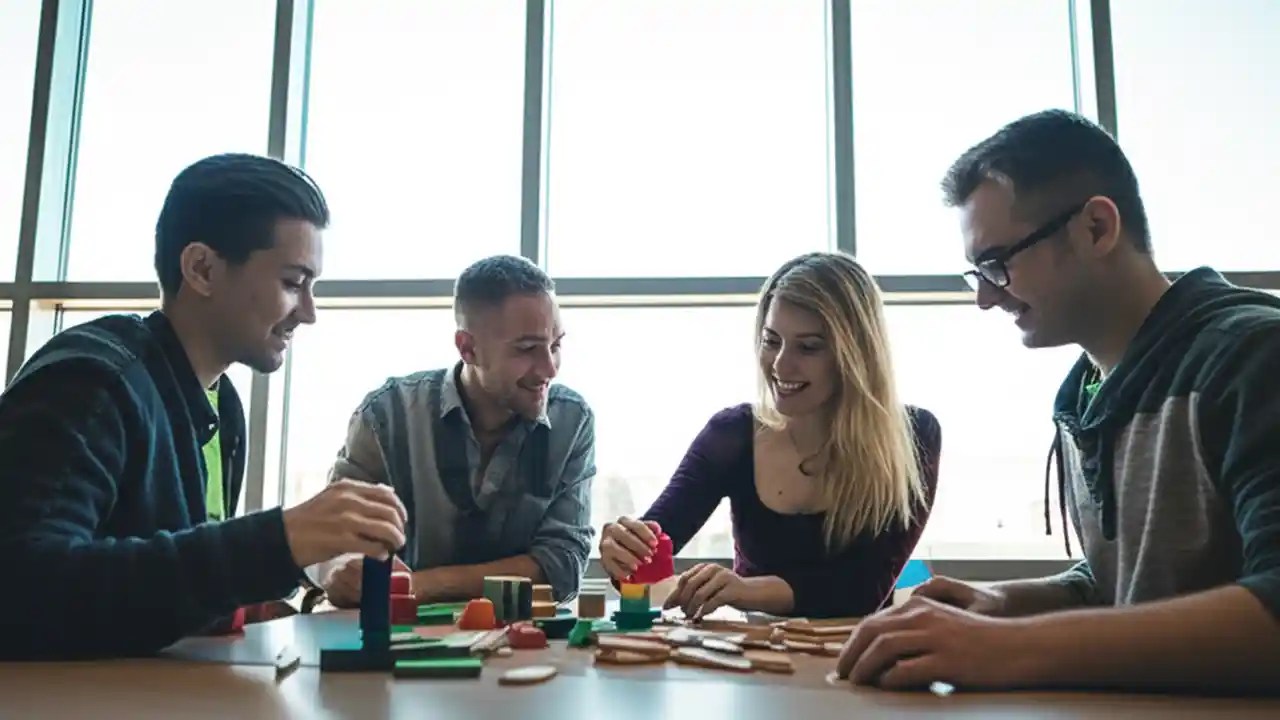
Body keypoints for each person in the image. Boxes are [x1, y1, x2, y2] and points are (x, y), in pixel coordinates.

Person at [836, 109, 1280, 695]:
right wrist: (1002, 602)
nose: (987, 299)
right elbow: (1127, 587)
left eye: (998, 263)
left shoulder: (1252, 355)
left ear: (1096, 228)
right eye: (978, 273)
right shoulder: (1084, 393)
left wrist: (1001, 649)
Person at [0, 153, 409, 660]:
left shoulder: (222, 407)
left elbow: (167, 592)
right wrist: (277, 541)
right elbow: (20, 587)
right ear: (202, 269)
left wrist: (278, 591)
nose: (308, 313)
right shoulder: (92, 382)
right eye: (292, 282)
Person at [598, 251, 942, 620]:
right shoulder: (730, 434)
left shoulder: (914, 436)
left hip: (854, 661)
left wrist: (744, 589)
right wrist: (624, 552)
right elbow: (650, 555)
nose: (780, 365)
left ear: (856, 354)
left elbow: (859, 589)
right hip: (755, 660)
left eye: (808, 347)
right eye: (771, 340)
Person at [319, 254, 596, 606]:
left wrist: (418, 585)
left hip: (524, 648)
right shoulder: (387, 415)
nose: (549, 369)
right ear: (468, 348)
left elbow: (562, 566)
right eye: (527, 349)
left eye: (555, 346)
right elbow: (335, 541)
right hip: (398, 642)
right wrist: (345, 570)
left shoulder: (572, 422)